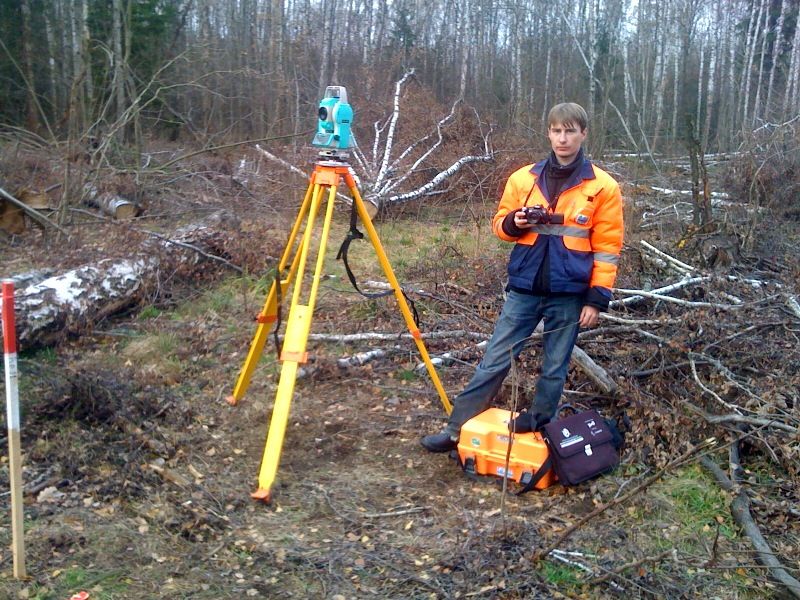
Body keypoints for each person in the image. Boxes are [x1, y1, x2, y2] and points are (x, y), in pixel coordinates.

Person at [421, 102, 624, 452]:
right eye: (557, 130)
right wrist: (515, 221)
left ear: (583, 134)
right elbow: (500, 225)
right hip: (525, 288)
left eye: (570, 131)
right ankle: (456, 430)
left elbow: (607, 247)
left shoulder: (603, 187)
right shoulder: (523, 178)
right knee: (494, 359)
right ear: (549, 133)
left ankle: (540, 428)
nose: (562, 138)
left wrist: (597, 298)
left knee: (554, 368)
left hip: (570, 293)